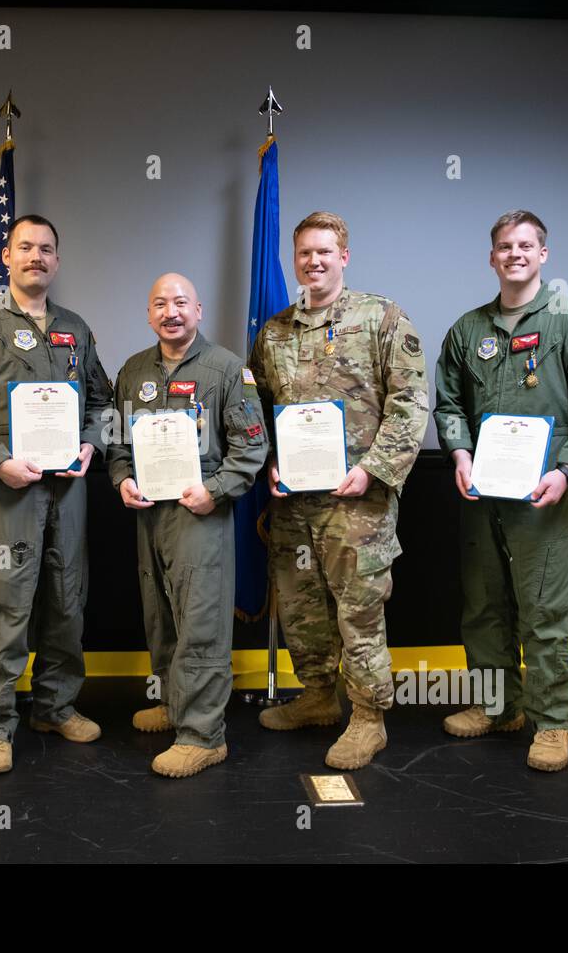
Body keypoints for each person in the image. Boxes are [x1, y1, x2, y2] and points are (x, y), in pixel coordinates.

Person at [434, 209, 568, 772]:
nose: (514, 254)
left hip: (547, 489)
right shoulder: (469, 329)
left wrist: (567, 471)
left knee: (546, 606)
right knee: (484, 604)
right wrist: (460, 454)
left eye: (525, 245)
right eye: (504, 246)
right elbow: (448, 404)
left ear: (543, 254)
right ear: (491, 257)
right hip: (483, 488)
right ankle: (498, 707)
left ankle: (552, 723)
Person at [248, 211, 429, 770]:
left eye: (325, 251)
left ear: (343, 256)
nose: (314, 261)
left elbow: (412, 401)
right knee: (302, 607)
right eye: (304, 253)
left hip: (358, 500)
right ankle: (318, 695)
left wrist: (374, 469)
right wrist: (270, 463)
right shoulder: (274, 332)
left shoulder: (382, 318)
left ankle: (369, 716)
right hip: (294, 504)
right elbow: (258, 412)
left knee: (359, 610)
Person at [0, 214, 112, 774]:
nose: (35, 256)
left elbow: (102, 400)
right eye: (25, 247)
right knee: (3, 604)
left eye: (46, 248)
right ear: (8, 258)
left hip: (67, 491)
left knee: (67, 598)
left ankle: (56, 705)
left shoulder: (75, 328)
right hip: (7, 490)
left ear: (56, 261)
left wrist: (90, 445)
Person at [108, 273, 268, 777]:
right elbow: (117, 442)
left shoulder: (227, 370)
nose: (170, 312)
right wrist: (121, 479)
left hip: (200, 513)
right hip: (150, 513)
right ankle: (176, 704)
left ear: (198, 310)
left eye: (181, 302)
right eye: (160, 303)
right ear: (149, 313)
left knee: (200, 621)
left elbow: (251, 446)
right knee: (161, 614)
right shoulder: (133, 371)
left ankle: (203, 734)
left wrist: (214, 491)